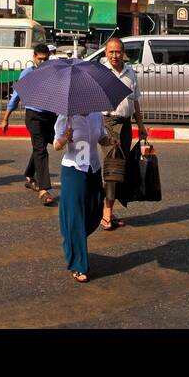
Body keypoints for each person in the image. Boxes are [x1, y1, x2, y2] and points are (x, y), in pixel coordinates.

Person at [54, 107, 114, 283]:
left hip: (93, 168)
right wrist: (66, 138)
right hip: (74, 170)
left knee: (95, 212)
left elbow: (101, 137)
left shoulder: (96, 115)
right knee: (76, 219)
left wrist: (111, 140)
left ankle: (73, 240)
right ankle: (79, 264)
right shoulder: (66, 116)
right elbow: (57, 144)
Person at [100, 36, 146, 231]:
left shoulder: (130, 73)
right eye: (111, 52)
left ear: (123, 53)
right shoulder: (101, 73)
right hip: (109, 123)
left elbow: (134, 101)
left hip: (126, 124)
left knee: (122, 167)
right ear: (105, 53)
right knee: (113, 167)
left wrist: (141, 126)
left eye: (118, 51)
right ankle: (106, 214)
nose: (115, 55)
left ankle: (108, 208)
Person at [1, 42, 55, 205]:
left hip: (49, 116)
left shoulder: (53, 73)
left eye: (45, 59)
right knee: (40, 150)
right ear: (34, 57)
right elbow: (16, 96)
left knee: (42, 147)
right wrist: (6, 117)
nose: (42, 62)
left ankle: (29, 175)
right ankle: (44, 189)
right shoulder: (28, 73)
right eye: (40, 59)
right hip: (34, 116)